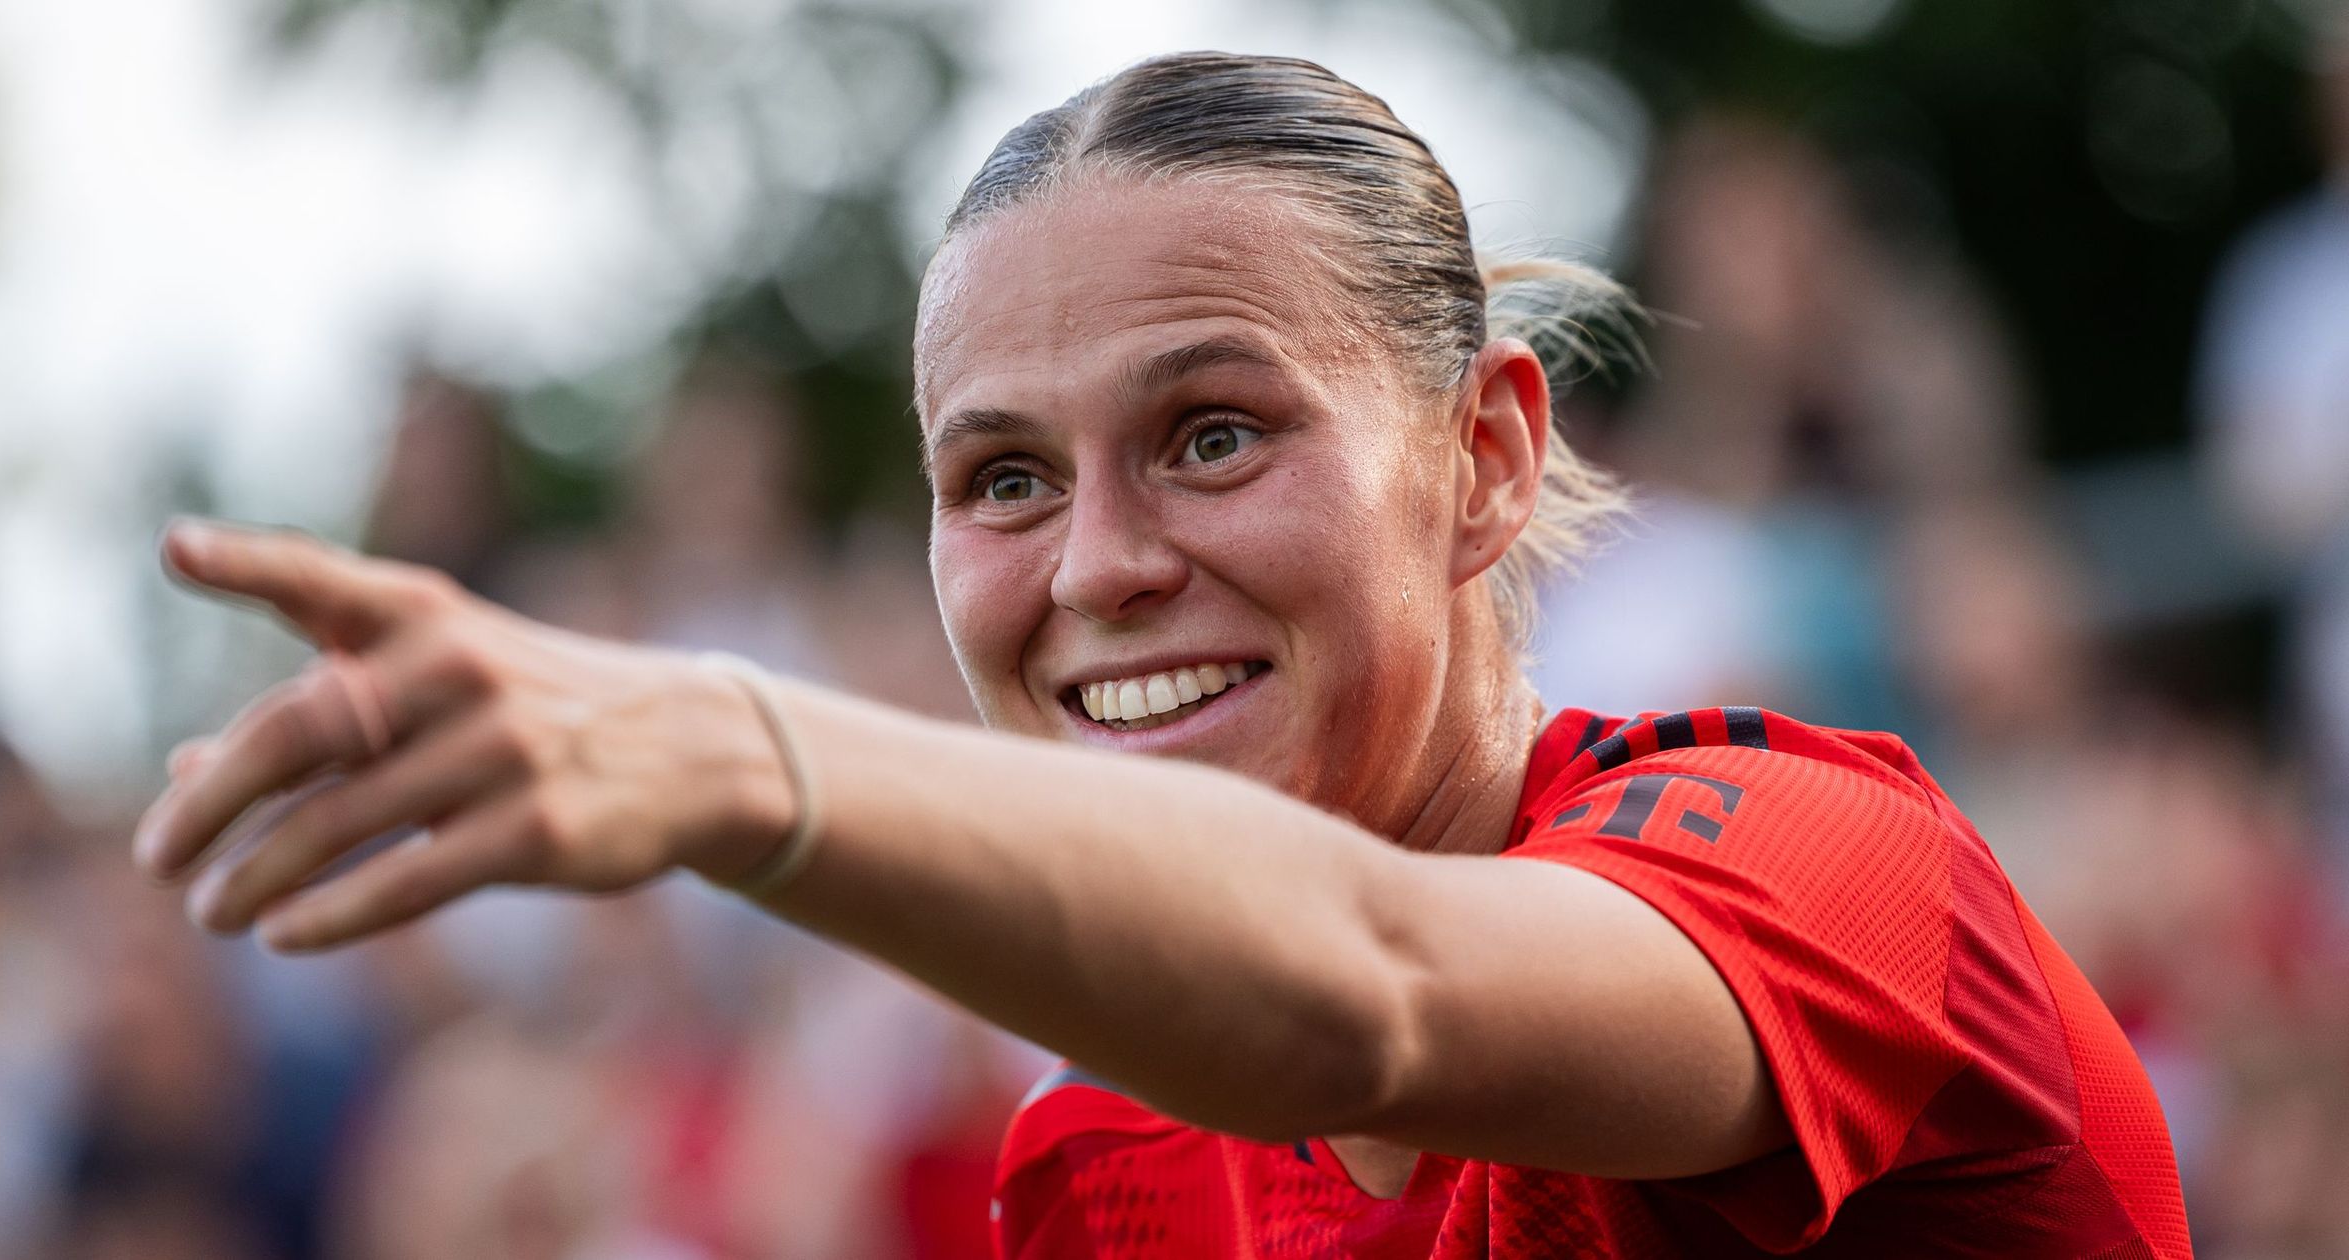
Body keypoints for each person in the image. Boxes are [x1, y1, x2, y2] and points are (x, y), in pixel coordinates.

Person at [133, 52, 2189, 1258]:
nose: (1100, 565)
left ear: (1484, 458)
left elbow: (1364, 992)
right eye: (1002, 480)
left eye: (1215, 434)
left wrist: (747, 755)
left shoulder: (1837, 867)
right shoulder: (1108, 1171)